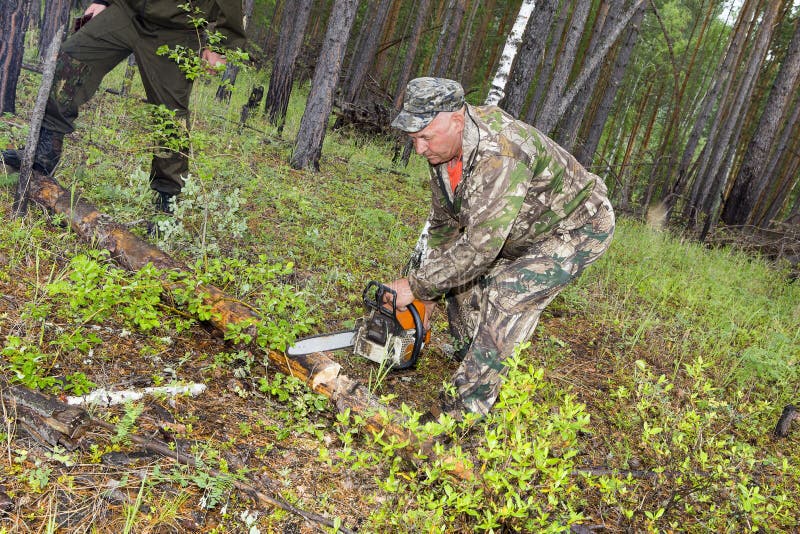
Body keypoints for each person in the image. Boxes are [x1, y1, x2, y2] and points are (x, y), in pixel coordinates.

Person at [387, 77, 615, 420]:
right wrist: (426, 296)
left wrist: (415, 286)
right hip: (518, 228)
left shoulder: (499, 152)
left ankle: (464, 411)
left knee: (506, 294)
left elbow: (481, 247)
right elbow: (444, 225)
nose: (419, 149)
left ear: (456, 119)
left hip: (578, 225)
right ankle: (472, 354)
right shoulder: (443, 151)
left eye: (425, 137)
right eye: (413, 138)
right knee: (457, 278)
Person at [1, 0, 246, 213]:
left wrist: (222, 45)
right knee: (72, 60)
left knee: (170, 116)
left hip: (178, 29)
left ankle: (166, 197)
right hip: (127, 11)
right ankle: (46, 151)